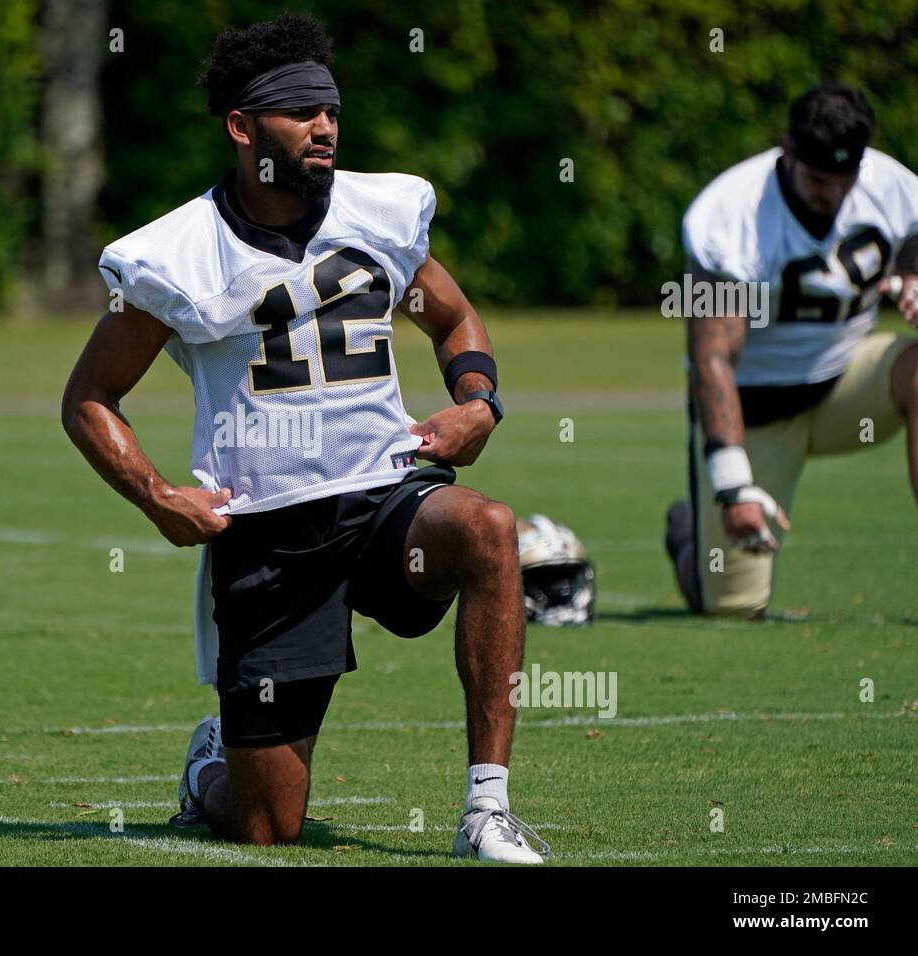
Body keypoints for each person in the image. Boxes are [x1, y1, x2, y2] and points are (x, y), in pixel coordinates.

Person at [63, 13, 546, 862]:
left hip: (384, 497)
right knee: (267, 827)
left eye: (330, 109)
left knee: (489, 529)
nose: (324, 126)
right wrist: (155, 495)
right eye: (299, 111)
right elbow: (91, 397)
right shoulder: (180, 253)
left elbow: (454, 315)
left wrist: (478, 400)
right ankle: (210, 766)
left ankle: (487, 808)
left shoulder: (379, 210)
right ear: (243, 128)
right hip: (271, 534)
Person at [666, 85, 918, 617]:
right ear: (787, 151)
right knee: (732, 607)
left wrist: (913, 275)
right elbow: (712, 358)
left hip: (848, 382)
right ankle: (689, 534)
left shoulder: (892, 186)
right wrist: (732, 484)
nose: (832, 195)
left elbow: (912, 249)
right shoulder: (727, 216)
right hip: (753, 412)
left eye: (845, 181)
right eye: (818, 180)